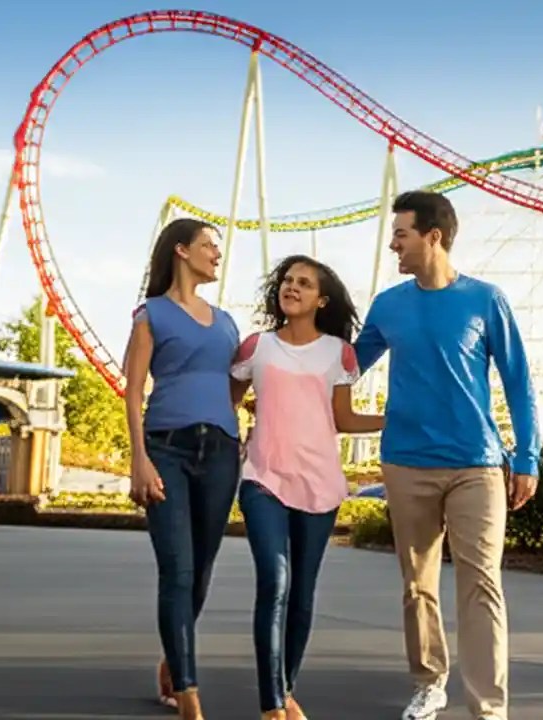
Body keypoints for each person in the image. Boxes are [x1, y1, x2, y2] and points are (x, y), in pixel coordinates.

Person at [353, 190, 541, 720]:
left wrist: (527, 457)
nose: (393, 244)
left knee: (482, 583)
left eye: (401, 234)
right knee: (418, 586)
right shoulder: (388, 305)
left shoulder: (485, 300)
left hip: (475, 464)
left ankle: (488, 708)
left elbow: (519, 382)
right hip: (406, 462)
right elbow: (345, 367)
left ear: (433, 237)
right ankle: (430, 683)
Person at [231, 255, 384, 720]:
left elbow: (343, 419)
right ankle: (271, 705)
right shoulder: (255, 347)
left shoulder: (339, 352)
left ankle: (286, 688)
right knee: (274, 582)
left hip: (320, 485)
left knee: (302, 592)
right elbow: (226, 404)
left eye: (303, 283)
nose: (291, 287)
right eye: (287, 280)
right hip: (263, 479)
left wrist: (399, 418)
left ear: (322, 299)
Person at [123, 217, 244, 720]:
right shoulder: (150, 314)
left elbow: (236, 385)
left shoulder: (228, 322)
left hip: (220, 454)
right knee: (178, 570)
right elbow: (132, 389)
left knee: (202, 572)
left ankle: (173, 660)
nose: (217, 253)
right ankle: (188, 693)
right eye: (208, 245)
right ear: (180, 251)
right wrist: (139, 460)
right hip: (166, 450)